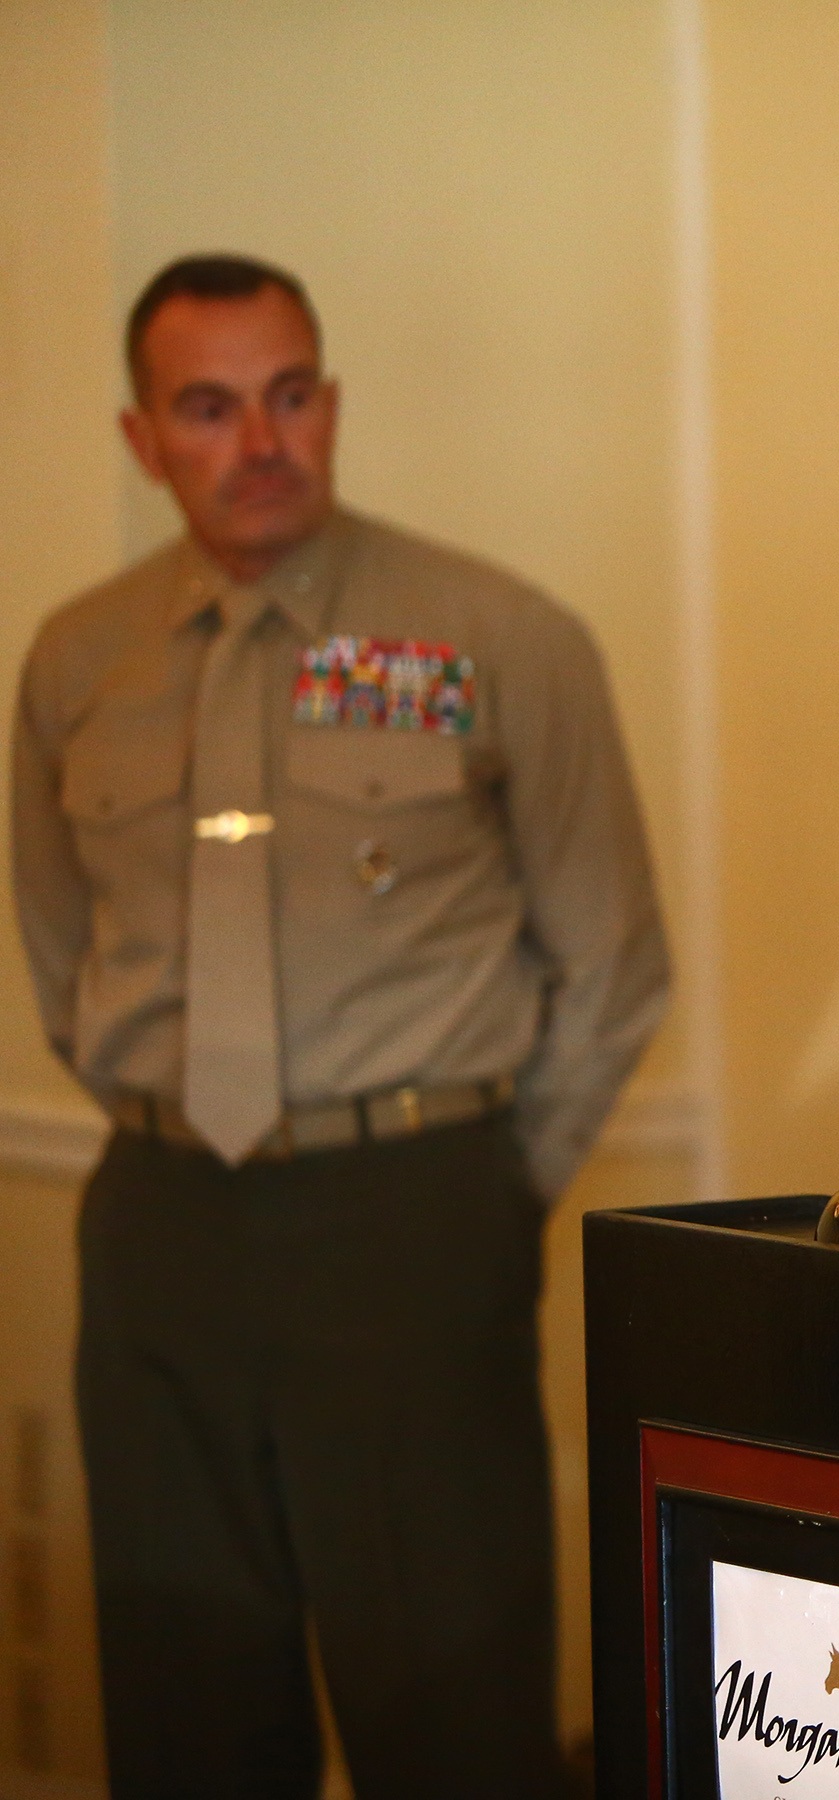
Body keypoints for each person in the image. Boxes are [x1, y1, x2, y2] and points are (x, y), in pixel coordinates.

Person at [12, 254, 668, 1797]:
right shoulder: (75, 659)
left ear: (332, 403)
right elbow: (58, 950)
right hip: (160, 1223)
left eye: (291, 396)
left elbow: (615, 957)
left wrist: (487, 1191)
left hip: (412, 1218)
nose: (262, 441)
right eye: (211, 407)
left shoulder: (498, 633)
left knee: (448, 1702)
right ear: (142, 437)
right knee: (184, 1700)